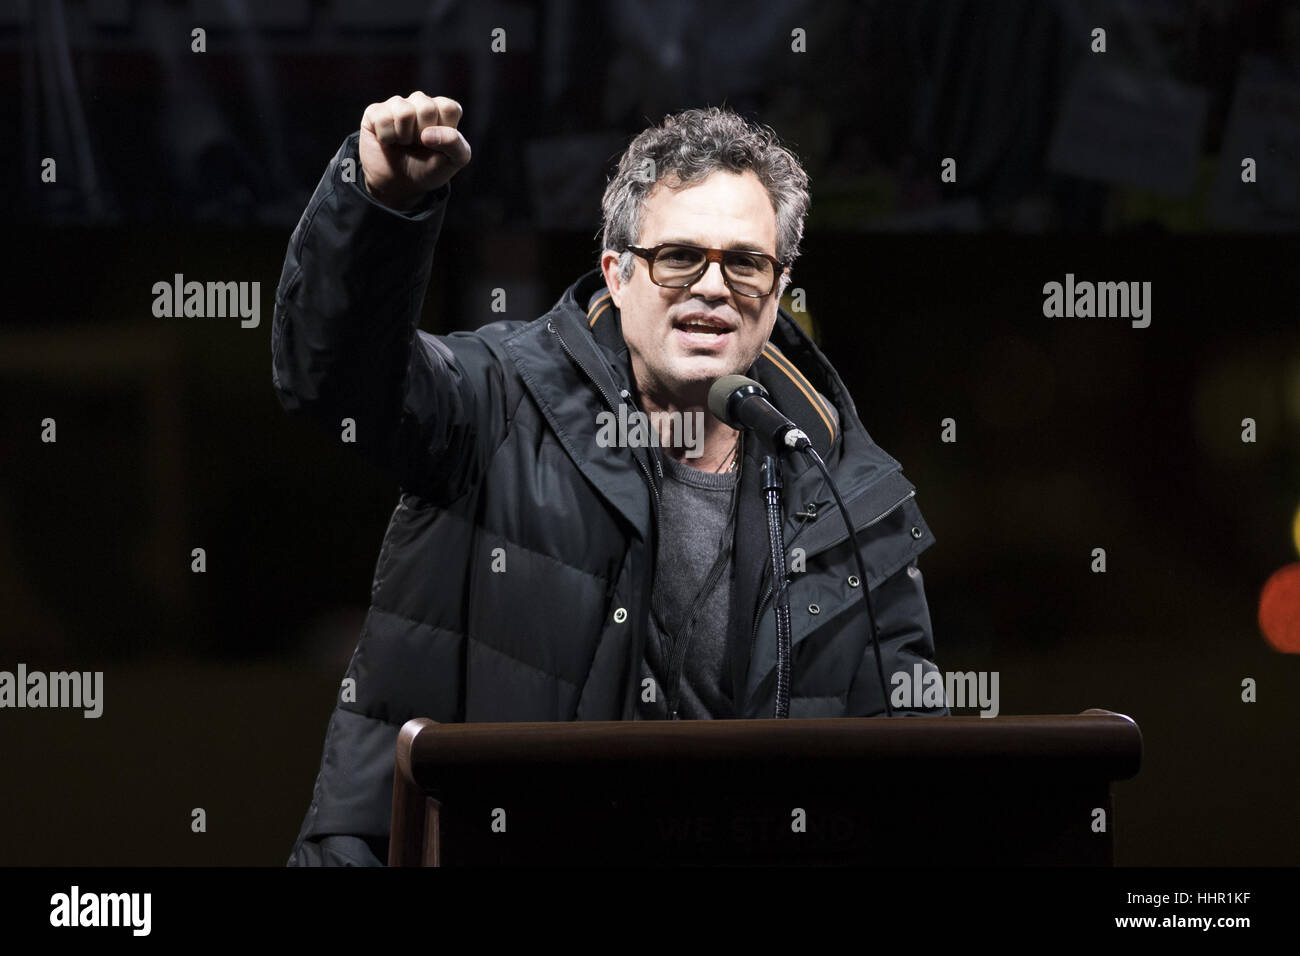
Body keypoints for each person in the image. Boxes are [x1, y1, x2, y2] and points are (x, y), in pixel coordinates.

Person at [272, 93, 947, 867]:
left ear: (780, 285)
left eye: (746, 262)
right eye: (679, 257)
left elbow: (913, 776)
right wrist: (381, 203)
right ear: (617, 273)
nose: (713, 286)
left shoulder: (850, 494)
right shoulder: (495, 402)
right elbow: (335, 376)